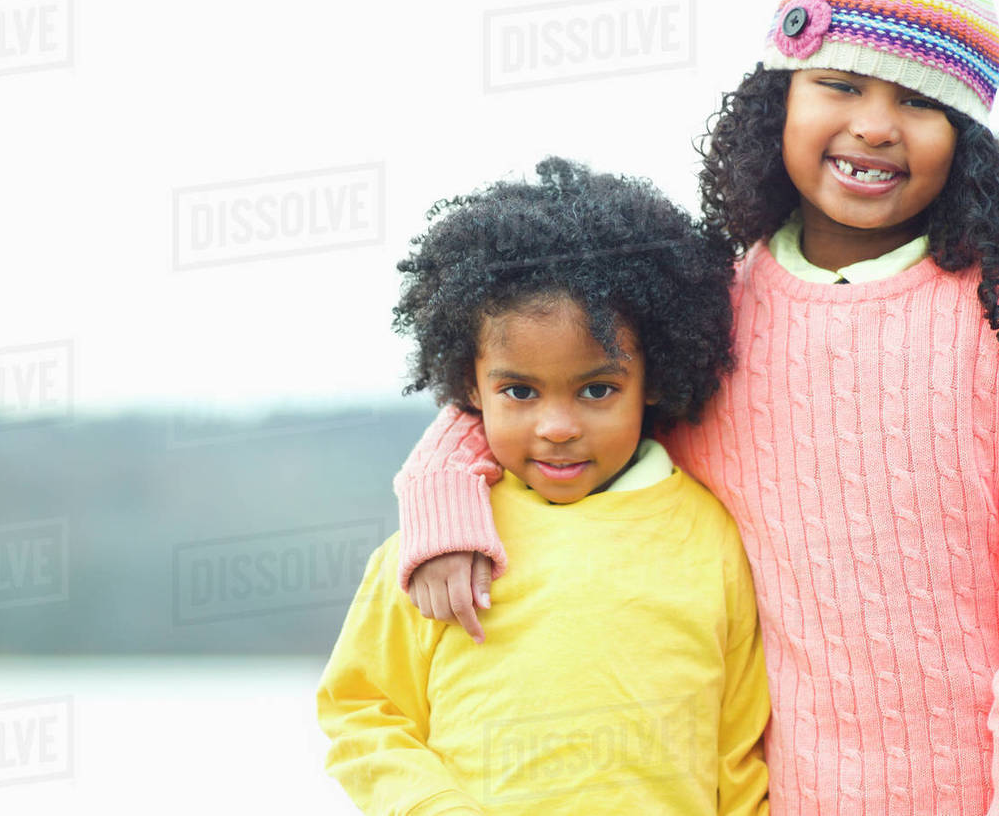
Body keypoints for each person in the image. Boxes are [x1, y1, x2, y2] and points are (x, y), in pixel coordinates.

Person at [389, 0, 999, 813]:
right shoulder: (717, 308)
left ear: (965, 135)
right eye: (839, 84)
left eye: (918, 99)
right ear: (779, 97)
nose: (874, 125)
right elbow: (550, 389)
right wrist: (441, 491)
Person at [316, 157, 771, 815]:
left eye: (597, 389)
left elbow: (739, 751)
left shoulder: (710, 538)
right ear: (472, 386)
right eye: (520, 391)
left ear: (654, 378)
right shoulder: (439, 547)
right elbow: (362, 710)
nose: (557, 427)